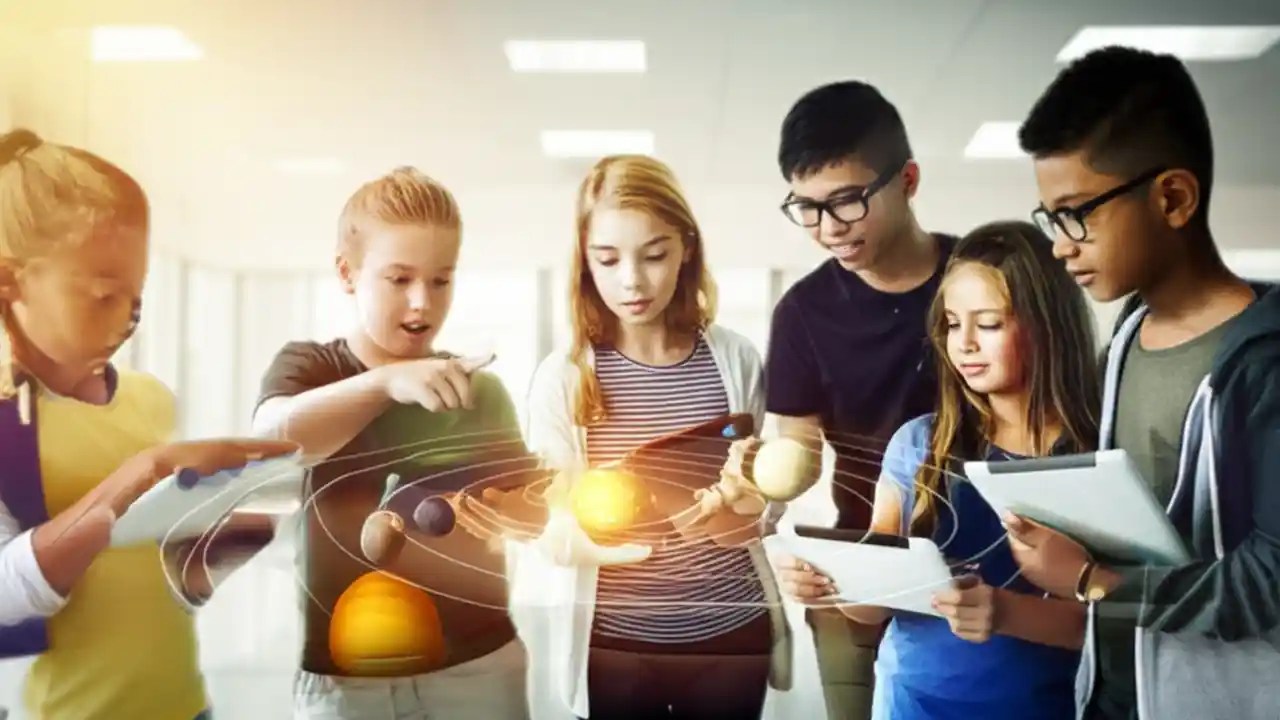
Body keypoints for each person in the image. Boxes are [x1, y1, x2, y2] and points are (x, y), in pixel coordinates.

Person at [1007, 45, 1280, 719]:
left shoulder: (1265, 361)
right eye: (1051, 219)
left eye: (1077, 214)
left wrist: (1087, 580)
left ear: (1173, 198)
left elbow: (1268, 581)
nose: (1060, 244)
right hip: (1112, 693)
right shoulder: (1126, 335)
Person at [0, 128, 296, 720]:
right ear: (10, 283)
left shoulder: (148, 399)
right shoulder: (7, 420)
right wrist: (145, 472)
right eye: (102, 297)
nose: (123, 325)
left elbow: (151, 562)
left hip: (183, 704)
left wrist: (237, 523)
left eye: (134, 302)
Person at [517, 154, 813, 720]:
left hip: (731, 634)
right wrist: (584, 539)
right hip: (617, 644)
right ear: (585, 264)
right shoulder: (564, 378)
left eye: (654, 255)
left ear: (687, 249)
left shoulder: (735, 360)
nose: (632, 280)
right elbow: (549, 519)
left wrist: (748, 506)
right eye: (607, 260)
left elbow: (760, 507)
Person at [774, 221, 1100, 718]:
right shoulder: (918, 443)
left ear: (1047, 324)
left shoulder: (1095, 451)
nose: (964, 342)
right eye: (951, 323)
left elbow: (1110, 622)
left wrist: (1010, 613)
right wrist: (833, 586)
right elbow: (873, 607)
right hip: (912, 703)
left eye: (988, 323)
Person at [252, 166, 535, 719]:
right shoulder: (310, 367)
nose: (421, 304)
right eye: (399, 279)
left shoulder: (481, 391)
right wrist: (386, 382)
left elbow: (530, 515)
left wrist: (516, 511)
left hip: (478, 669)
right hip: (346, 680)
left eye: (440, 280)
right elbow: (271, 440)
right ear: (347, 273)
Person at [738, 80, 958, 719]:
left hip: (988, 567)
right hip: (858, 574)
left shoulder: (981, 281)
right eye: (806, 207)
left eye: (848, 201)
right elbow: (797, 455)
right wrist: (756, 486)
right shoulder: (802, 313)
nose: (827, 228)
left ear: (908, 179)